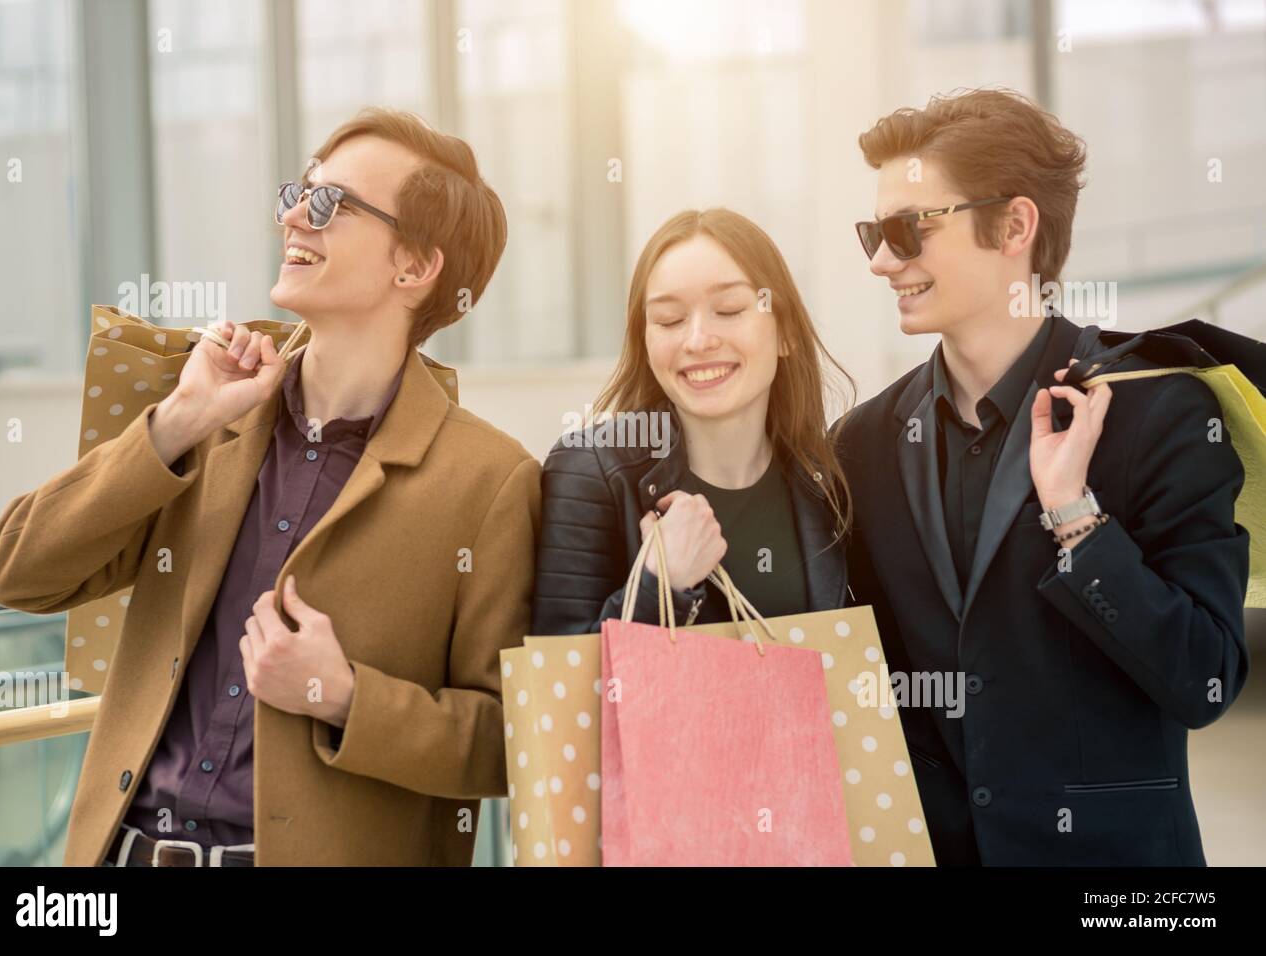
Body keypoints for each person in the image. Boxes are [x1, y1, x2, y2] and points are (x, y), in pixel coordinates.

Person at [0, 107, 540, 867]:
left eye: (327, 204)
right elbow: (18, 570)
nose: (291, 218)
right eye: (297, 192)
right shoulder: (206, 418)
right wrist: (176, 420)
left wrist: (345, 696)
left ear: (413, 266)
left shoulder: (492, 480)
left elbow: (509, 743)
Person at [835, 88, 1249, 865]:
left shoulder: (1160, 413)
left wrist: (1076, 517)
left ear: (1015, 225)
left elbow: (1205, 682)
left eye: (907, 229)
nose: (884, 260)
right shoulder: (860, 444)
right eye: (872, 233)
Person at [531, 208, 855, 635]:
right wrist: (661, 584)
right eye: (670, 319)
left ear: (786, 332)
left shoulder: (828, 480)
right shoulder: (589, 470)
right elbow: (558, 678)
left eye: (729, 308)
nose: (699, 340)